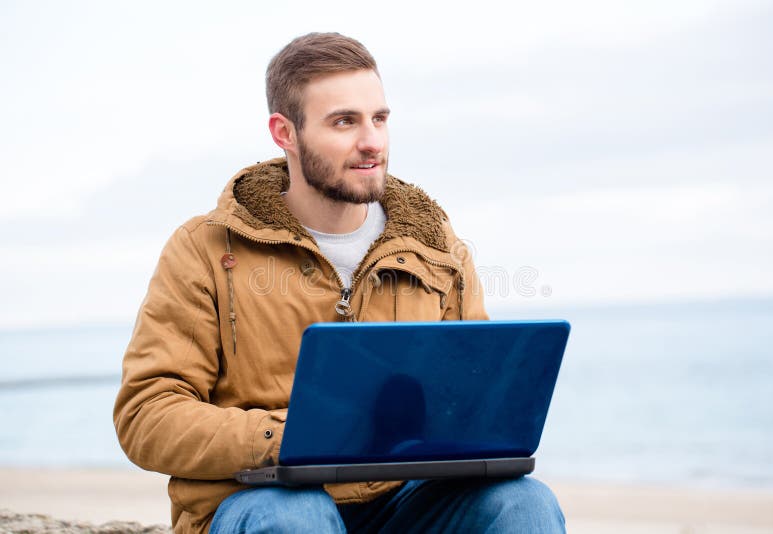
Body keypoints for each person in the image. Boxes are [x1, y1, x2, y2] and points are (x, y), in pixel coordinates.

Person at [113, 32, 565, 533]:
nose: (371, 141)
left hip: (405, 503)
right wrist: (290, 436)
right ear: (284, 132)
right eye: (344, 122)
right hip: (264, 501)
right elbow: (146, 415)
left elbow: (470, 397)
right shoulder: (204, 248)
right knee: (298, 514)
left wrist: (474, 422)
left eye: (380, 118)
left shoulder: (437, 244)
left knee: (522, 502)